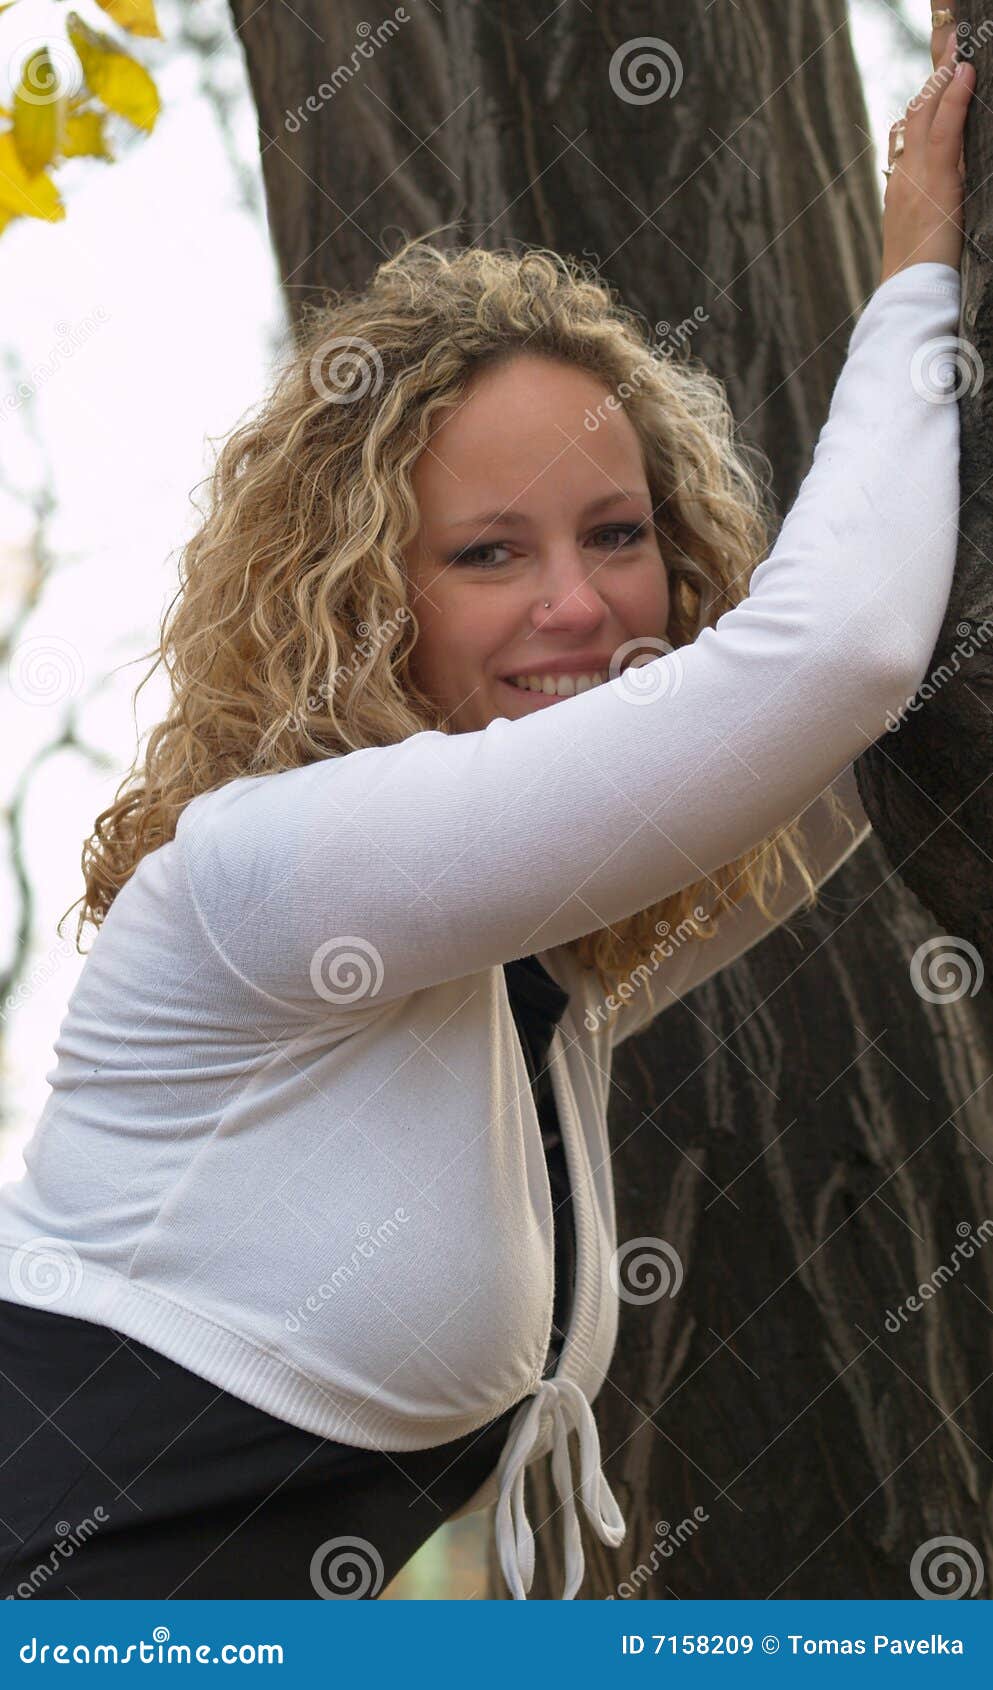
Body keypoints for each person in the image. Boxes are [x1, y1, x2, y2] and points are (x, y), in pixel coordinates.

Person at [0, 24, 974, 1602]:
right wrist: (920, 269)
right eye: (488, 554)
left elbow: (852, 739)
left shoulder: (525, 987)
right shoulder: (276, 871)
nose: (580, 607)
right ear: (361, 597)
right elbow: (839, 661)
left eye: (615, 532)